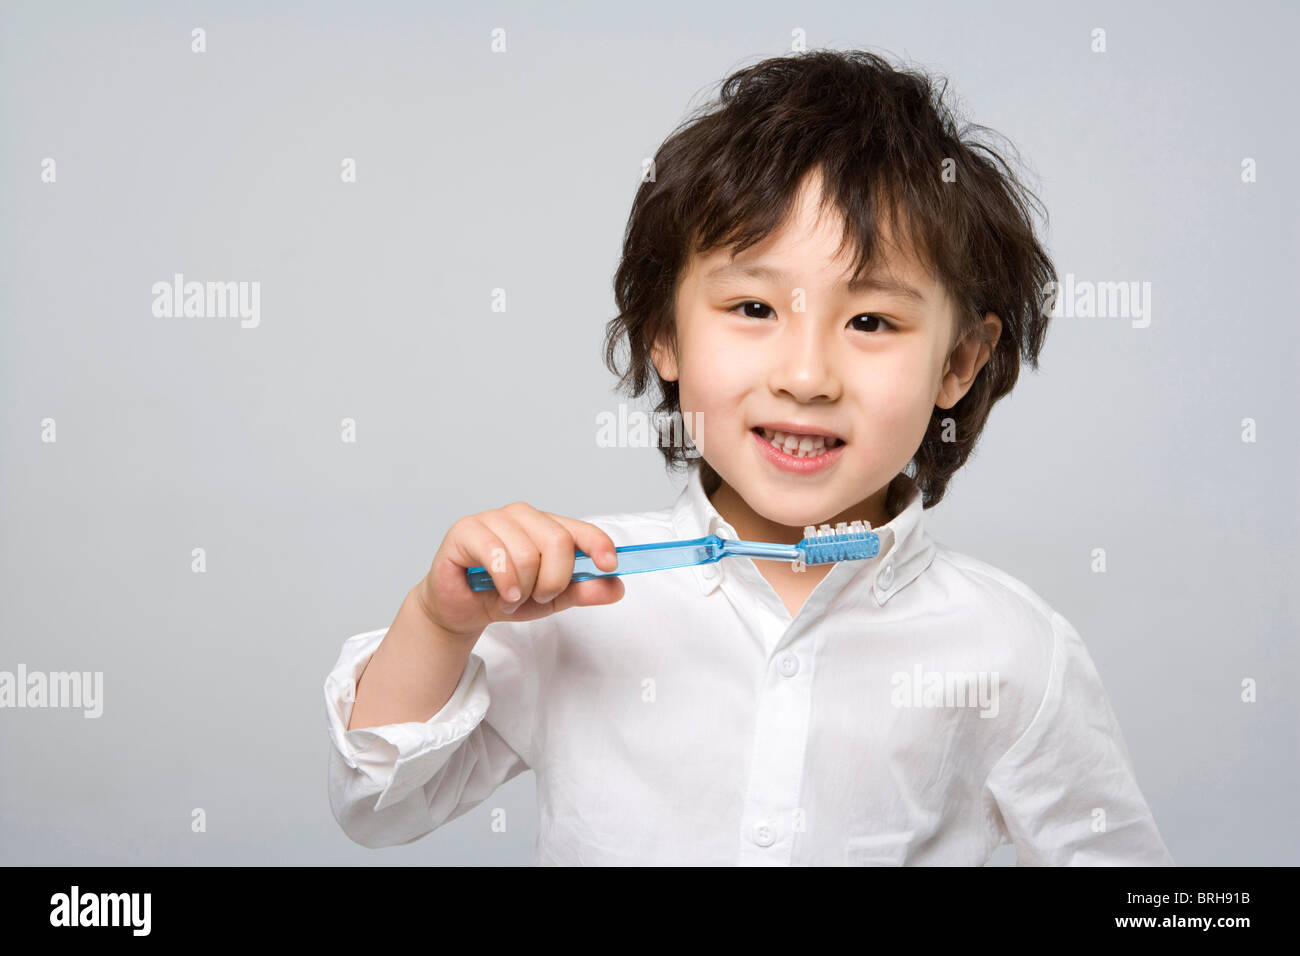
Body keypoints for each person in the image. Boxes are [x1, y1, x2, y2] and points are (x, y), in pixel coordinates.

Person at [323, 49, 1173, 865]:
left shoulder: (1013, 649)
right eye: (754, 307)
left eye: (872, 322)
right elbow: (376, 805)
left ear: (957, 363)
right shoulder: (569, 598)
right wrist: (439, 625)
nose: (805, 376)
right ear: (664, 333)